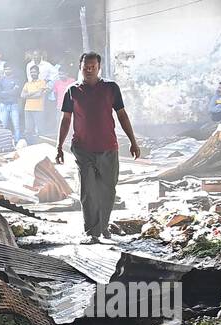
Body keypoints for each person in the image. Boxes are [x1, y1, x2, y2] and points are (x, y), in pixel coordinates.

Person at [56, 52, 141, 244]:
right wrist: (59, 145)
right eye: (86, 66)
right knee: (88, 190)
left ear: (99, 68)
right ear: (80, 67)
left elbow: (122, 115)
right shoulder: (72, 91)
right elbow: (66, 119)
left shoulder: (111, 88)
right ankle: (92, 231)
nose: (89, 70)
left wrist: (133, 142)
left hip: (108, 147)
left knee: (108, 189)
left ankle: (103, 226)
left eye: (93, 66)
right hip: (82, 148)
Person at [21, 65, 48, 143]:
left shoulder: (42, 82)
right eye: (31, 72)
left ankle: (42, 144)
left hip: (38, 108)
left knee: (40, 129)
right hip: (27, 109)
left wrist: (28, 94)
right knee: (28, 129)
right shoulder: (27, 83)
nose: (33, 73)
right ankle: (30, 144)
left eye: (34, 72)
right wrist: (35, 92)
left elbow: (39, 95)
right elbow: (22, 95)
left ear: (38, 72)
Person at [0, 64, 22, 142]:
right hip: (3, 105)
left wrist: (5, 92)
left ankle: (17, 141)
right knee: (3, 126)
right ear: (4, 70)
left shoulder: (16, 80)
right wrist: (10, 91)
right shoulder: (1, 80)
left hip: (14, 104)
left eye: (9, 69)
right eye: (6, 69)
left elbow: (16, 92)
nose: (7, 70)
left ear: (12, 70)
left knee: (16, 126)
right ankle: (3, 142)